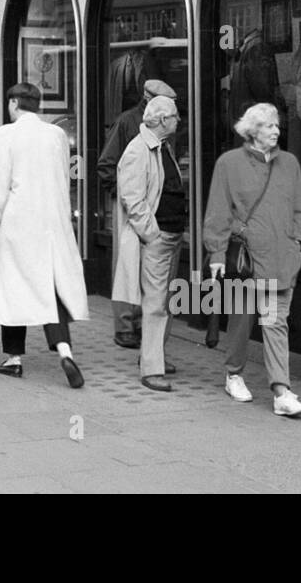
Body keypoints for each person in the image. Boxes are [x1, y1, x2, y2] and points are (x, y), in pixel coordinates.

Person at [0, 83, 89, 388]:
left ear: (15, 103)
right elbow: (62, 178)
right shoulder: (57, 135)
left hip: (17, 223)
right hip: (51, 223)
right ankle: (64, 350)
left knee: (12, 286)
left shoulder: (6, 134)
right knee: (50, 287)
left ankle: (14, 358)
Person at [203, 101, 301, 417]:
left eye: (277, 125)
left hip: (281, 259)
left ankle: (281, 391)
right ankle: (233, 374)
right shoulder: (229, 163)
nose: (276, 130)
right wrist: (218, 253)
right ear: (252, 131)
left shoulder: (289, 163)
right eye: (268, 126)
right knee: (241, 321)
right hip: (246, 259)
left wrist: (295, 240)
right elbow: (218, 212)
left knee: (275, 322)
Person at [96, 78, 177, 350]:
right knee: (128, 266)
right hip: (136, 209)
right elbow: (107, 165)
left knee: (139, 271)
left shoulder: (161, 130)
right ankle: (126, 326)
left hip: (147, 210)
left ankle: (141, 327)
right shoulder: (129, 123)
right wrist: (128, 200)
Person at [117, 95, 187, 392]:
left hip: (171, 235)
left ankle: (154, 355)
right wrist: (152, 234)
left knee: (165, 302)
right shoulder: (138, 150)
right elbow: (132, 199)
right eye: (173, 116)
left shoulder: (162, 146)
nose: (178, 120)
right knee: (156, 304)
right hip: (158, 238)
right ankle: (151, 368)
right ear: (159, 120)